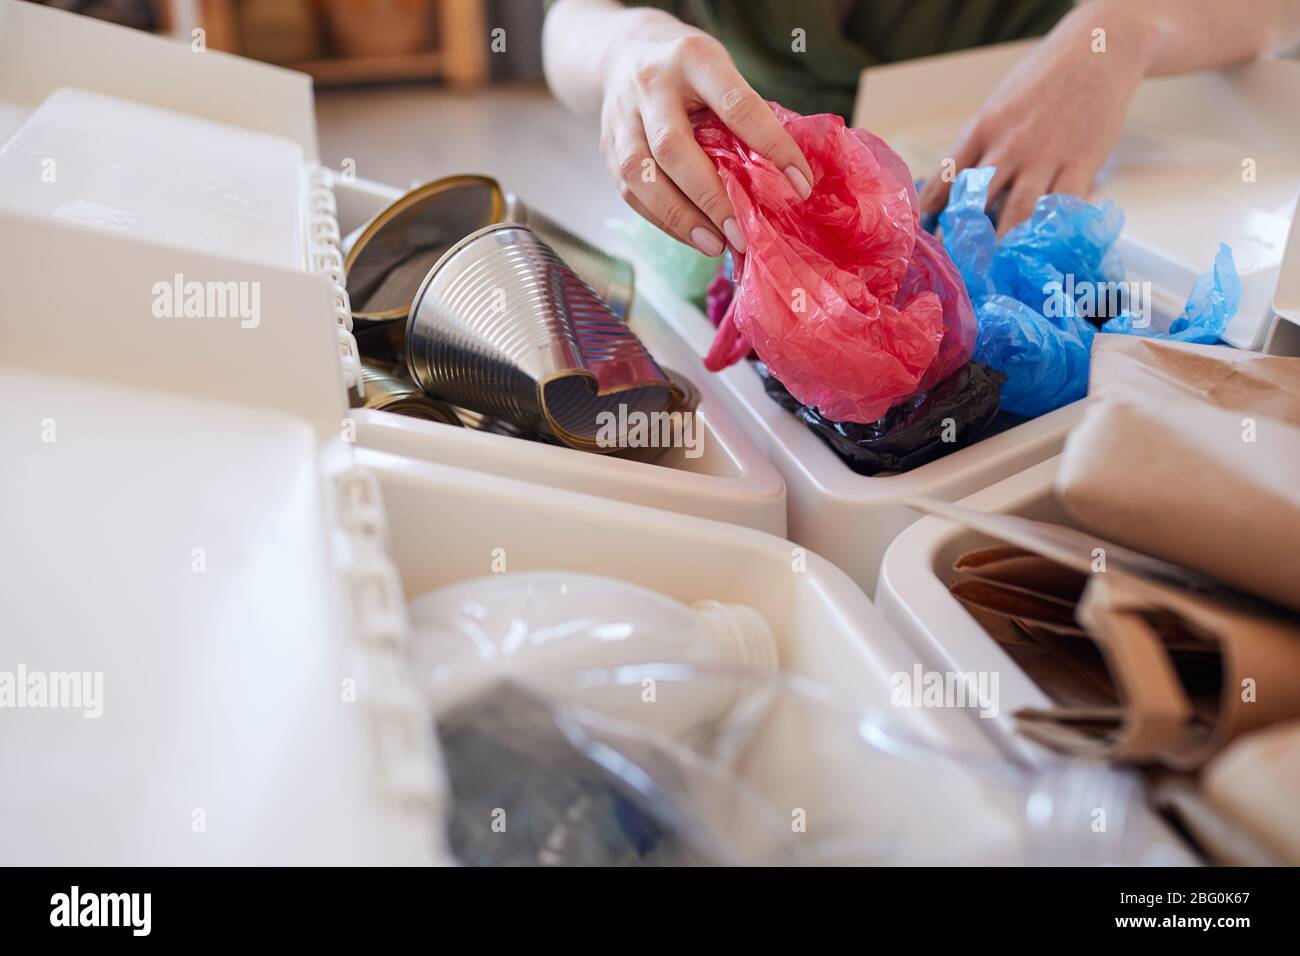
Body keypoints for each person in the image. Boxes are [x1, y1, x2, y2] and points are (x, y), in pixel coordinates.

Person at [543, 0, 1300, 254]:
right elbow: (568, 21)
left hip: (1073, 210)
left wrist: (1123, 27)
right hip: (752, 228)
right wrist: (624, 51)